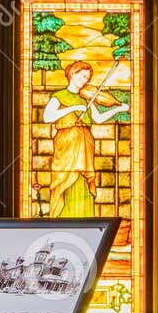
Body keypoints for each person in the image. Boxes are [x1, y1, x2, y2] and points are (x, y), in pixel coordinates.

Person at [41, 61, 128, 217]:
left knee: (84, 184)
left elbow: (99, 119)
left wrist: (118, 108)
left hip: (85, 146)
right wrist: (73, 108)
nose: (85, 81)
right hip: (67, 146)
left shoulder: (86, 99)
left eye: (87, 78)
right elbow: (47, 117)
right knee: (66, 183)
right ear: (72, 74)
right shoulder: (59, 97)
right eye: (82, 76)